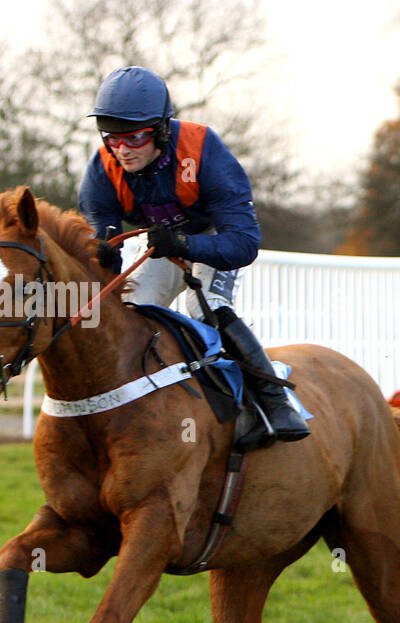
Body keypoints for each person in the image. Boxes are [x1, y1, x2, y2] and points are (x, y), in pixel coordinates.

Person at [78, 65, 308, 444]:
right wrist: (101, 252)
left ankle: (274, 402)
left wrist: (185, 246)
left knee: (206, 307)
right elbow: (104, 247)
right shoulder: (102, 168)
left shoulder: (204, 150)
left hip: (211, 237)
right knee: (132, 311)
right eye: (112, 138)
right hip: (158, 243)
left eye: (134, 138)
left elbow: (244, 243)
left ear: (162, 130)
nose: (121, 150)